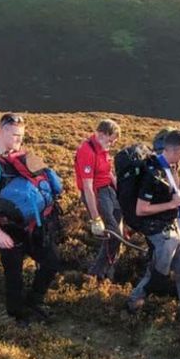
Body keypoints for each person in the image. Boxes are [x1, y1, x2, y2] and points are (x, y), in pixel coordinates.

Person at [0, 114, 60, 326]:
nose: (18, 139)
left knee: (51, 262)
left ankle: (34, 300)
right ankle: (17, 314)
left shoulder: (22, 156)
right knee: (14, 274)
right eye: (14, 135)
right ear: (2, 131)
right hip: (6, 227)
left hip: (32, 224)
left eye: (21, 135)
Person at [127, 129, 180, 320]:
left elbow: (175, 182)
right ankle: (133, 305)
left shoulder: (172, 166)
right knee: (158, 273)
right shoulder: (153, 174)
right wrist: (171, 204)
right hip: (158, 229)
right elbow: (141, 209)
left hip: (173, 225)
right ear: (172, 150)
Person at [75, 119, 122, 281]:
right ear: (101, 134)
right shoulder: (87, 151)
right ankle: (96, 273)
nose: (112, 144)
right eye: (111, 140)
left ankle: (108, 269)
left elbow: (108, 172)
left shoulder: (102, 147)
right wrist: (95, 218)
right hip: (97, 195)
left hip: (109, 191)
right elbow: (87, 187)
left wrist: (119, 189)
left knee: (115, 234)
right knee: (114, 235)